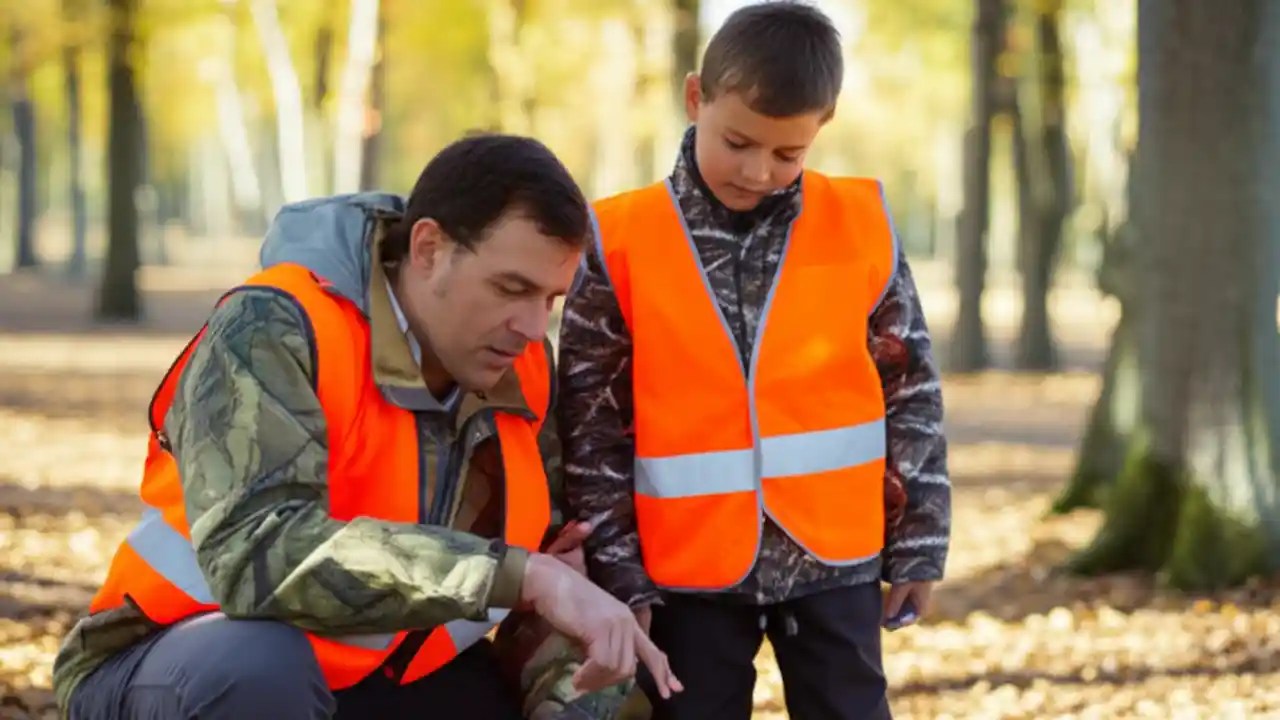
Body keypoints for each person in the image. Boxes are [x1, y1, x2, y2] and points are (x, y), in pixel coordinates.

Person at [52, 133, 681, 720]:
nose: (529, 325)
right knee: (260, 673)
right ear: (429, 249)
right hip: (177, 659)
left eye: (548, 300)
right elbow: (256, 555)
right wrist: (525, 576)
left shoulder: (525, 369)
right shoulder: (275, 329)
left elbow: (551, 571)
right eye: (510, 287)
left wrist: (586, 675)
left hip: (388, 678)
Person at [557, 3, 952, 719]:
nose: (758, 170)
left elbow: (910, 389)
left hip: (836, 563)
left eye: (787, 153)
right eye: (737, 141)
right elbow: (589, 425)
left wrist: (920, 541)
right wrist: (621, 577)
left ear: (820, 130)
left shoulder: (862, 224)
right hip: (683, 577)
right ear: (694, 98)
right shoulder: (615, 239)